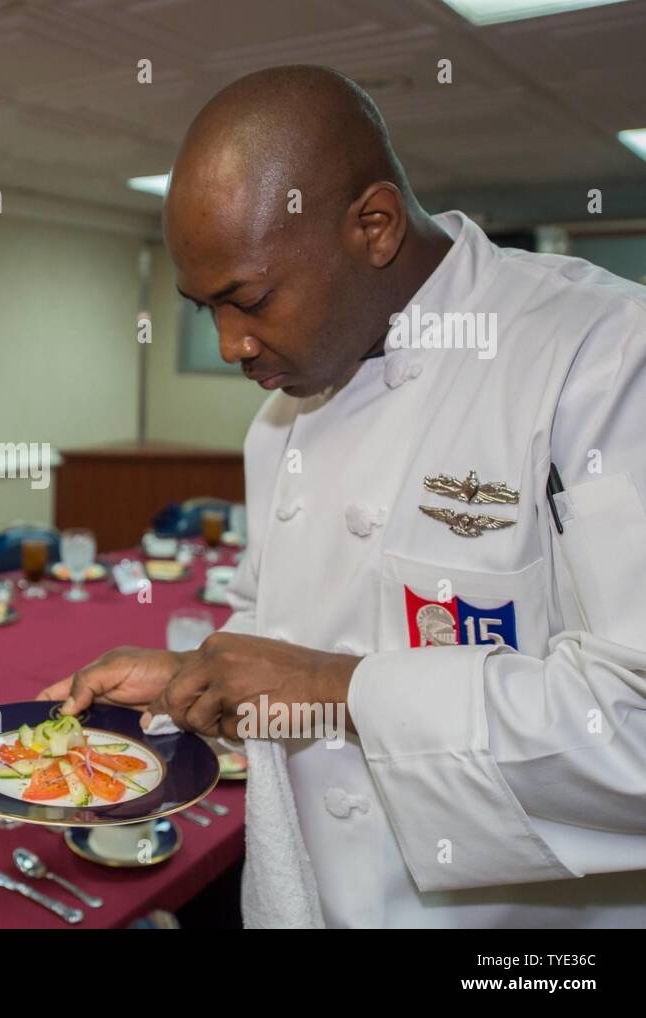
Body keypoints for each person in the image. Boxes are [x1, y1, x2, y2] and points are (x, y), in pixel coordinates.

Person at [39, 65, 646, 928]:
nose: (228, 345)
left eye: (247, 300)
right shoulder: (285, 413)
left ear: (374, 225)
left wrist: (341, 687)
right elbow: (282, 655)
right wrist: (193, 678)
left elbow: (632, 728)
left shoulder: (600, 355)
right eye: (202, 306)